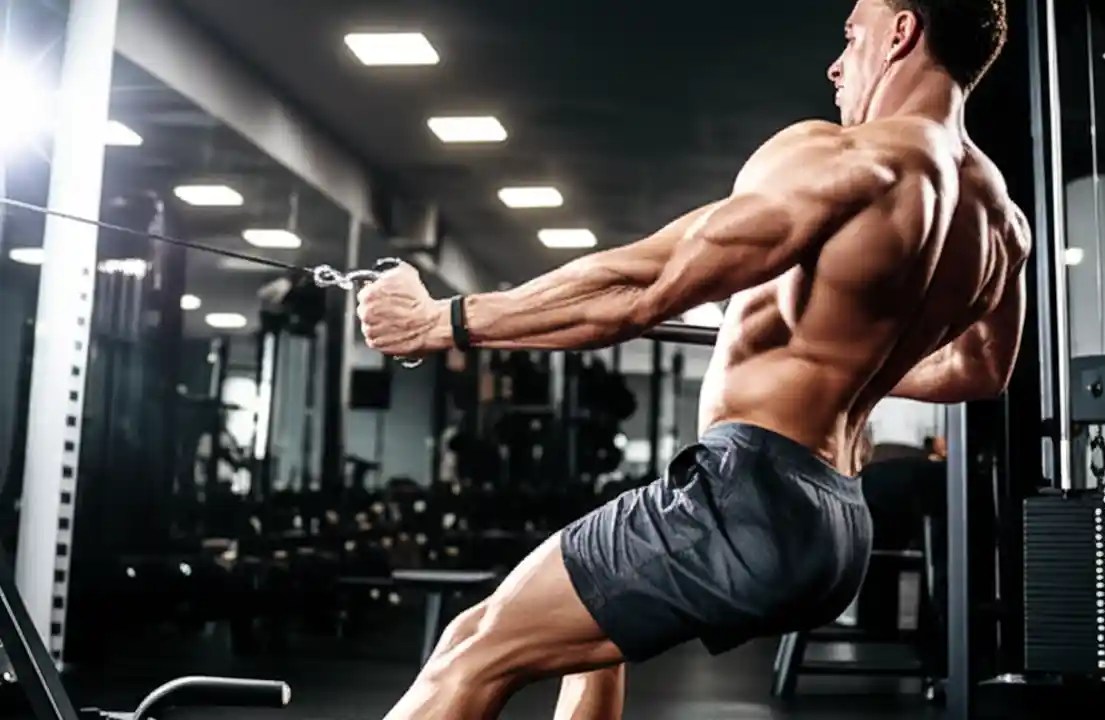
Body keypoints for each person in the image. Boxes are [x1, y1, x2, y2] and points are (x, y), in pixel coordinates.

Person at [357, 0, 1027, 717]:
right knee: (591, 645)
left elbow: (645, 286)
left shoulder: (845, 159)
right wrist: (854, 363)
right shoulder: (1000, 221)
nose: (836, 64)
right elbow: (980, 372)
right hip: (837, 531)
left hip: (749, 495)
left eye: (850, 36)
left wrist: (442, 322)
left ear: (901, 33)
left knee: (471, 647)